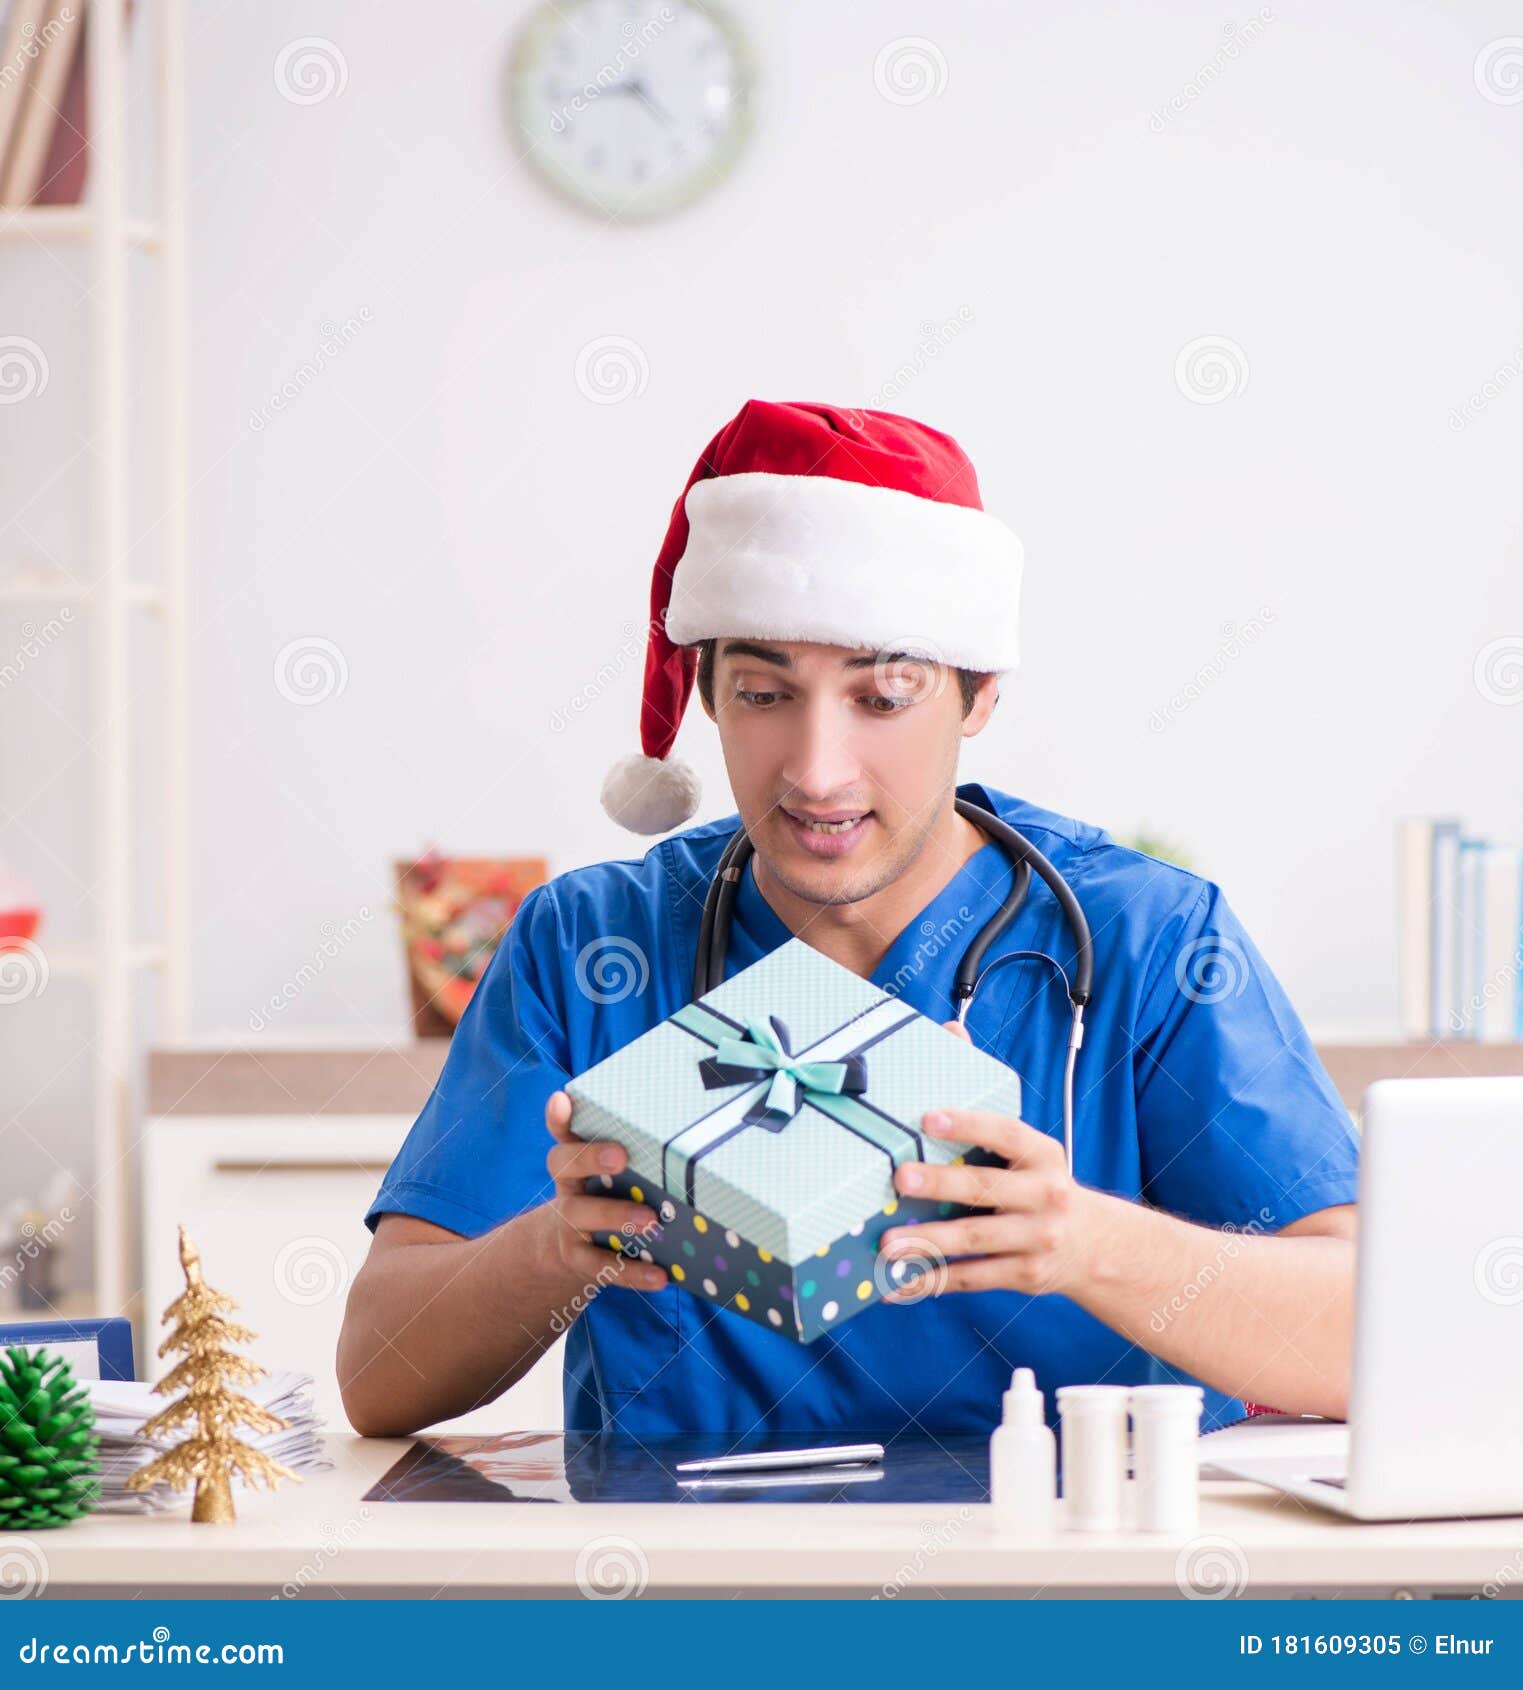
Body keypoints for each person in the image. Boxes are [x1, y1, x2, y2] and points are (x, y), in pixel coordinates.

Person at [338, 399, 1358, 1441]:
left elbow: (1365, 1339)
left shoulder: (1148, 940)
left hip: (1067, 1581)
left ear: (977, 696)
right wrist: (555, 1248)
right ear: (706, 696)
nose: (816, 772)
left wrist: (1084, 1243)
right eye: (763, 693)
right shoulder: (591, 946)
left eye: (881, 697)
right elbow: (377, 1379)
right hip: (682, 1587)